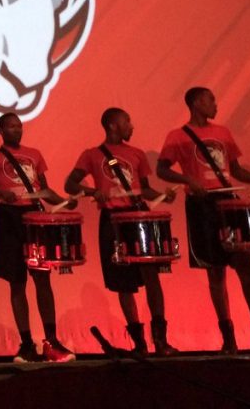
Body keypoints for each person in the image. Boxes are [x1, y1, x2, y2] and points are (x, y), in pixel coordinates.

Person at [156, 88, 250, 354]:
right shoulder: (177, 136)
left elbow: (235, 170)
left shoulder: (223, 133)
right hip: (201, 205)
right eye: (210, 99)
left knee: (246, 267)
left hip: (228, 202)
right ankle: (229, 338)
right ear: (195, 103)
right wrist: (187, 180)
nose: (215, 104)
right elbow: (162, 169)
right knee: (216, 271)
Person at [64, 108, 178, 356]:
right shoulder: (92, 155)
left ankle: (161, 340)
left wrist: (162, 197)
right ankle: (139, 342)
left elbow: (144, 189)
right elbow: (69, 184)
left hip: (139, 216)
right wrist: (94, 193)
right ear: (113, 125)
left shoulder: (136, 154)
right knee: (122, 282)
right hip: (112, 221)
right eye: (127, 121)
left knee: (151, 276)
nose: (131, 126)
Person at [0, 112, 74, 363]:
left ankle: (52, 341)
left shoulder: (35, 154)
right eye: (12, 126)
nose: (18, 130)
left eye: (19, 126)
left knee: (42, 278)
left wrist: (63, 202)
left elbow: (43, 189)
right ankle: (26, 343)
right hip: (8, 217)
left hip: (35, 216)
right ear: (1, 130)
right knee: (16, 282)